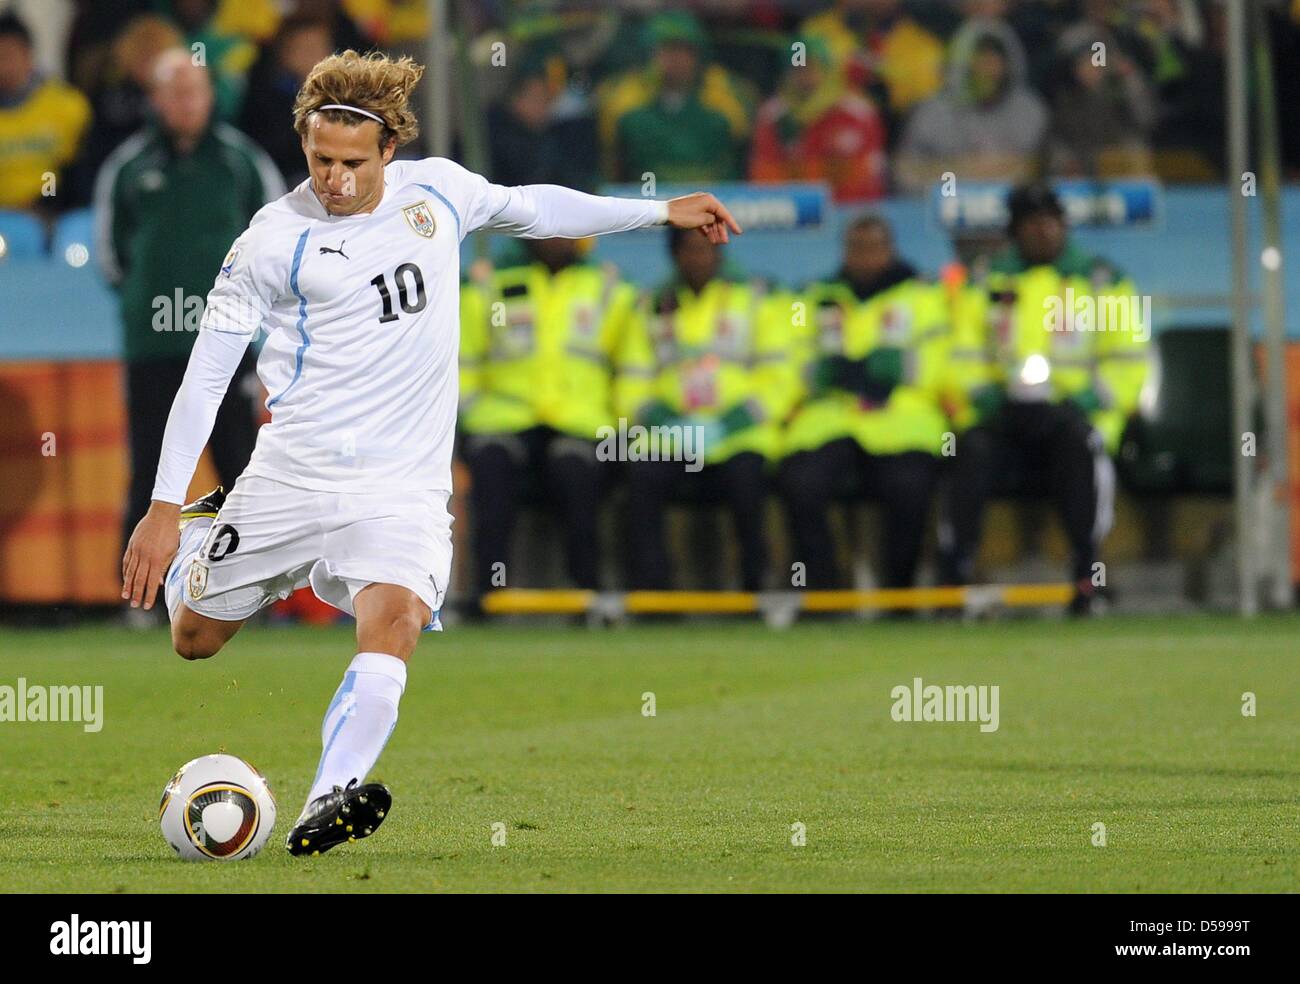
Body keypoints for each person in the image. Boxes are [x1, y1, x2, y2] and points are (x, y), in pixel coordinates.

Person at [119, 49, 740, 856]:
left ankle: (325, 797)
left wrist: (659, 213)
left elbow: (538, 209)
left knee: (397, 621)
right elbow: (206, 375)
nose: (334, 179)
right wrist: (166, 509)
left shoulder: (438, 191)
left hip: (403, 488)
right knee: (193, 637)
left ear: (388, 152)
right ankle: (207, 537)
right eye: (319, 161)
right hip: (293, 473)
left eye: (350, 163)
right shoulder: (272, 241)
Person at [96, 49, 282, 615]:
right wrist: (150, 305)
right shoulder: (128, 166)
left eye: (194, 91)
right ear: (156, 100)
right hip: (155, 345)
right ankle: (140, 598)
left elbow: (271, 239)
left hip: (227, 345)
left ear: (210, 97)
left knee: (241, 469)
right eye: (173, 93)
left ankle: (256, 595)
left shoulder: (241, 161)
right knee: (150, 471)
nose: (184, 103)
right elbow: (112, 255)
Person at [941, 182, 1149, 614]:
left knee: (1081, 448)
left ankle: (1087, 576)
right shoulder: (986, 280)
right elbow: (962, 355)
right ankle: (955, 579)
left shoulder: (1100, 281)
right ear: (1014, 231)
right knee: (970, 450)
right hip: (1004, 413)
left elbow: (1129, 358)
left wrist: (1089, 400)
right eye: (1032, 224)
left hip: (1072, 413)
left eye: (1051, 222)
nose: (1043, 232)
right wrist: (987, 399)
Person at [618, 228, 797, 592]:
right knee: (640, 482)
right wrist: (663, 420)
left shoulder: (754, 301)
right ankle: (655, 596)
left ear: (719, 255)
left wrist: (735, 421)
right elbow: (630, 381)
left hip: (739, 433)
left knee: (748, 484)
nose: (697, 259)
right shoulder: (651, 307)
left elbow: (781, 376)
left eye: (705, 250)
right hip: (669, 436)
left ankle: (756, 589)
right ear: (674, 255)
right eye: (688, 250)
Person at [458, 237, 637, 600]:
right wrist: (470, 417)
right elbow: (462, 363)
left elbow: (633, 370)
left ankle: (588, 593)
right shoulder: (488, 285)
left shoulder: (611, 289)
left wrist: (624, 429)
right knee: (491, 465)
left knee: (575, 469)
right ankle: (489, 595)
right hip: (503, 418)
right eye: (549, 225)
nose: (557, 236)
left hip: (581, 422)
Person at [778, 216, 949, 590]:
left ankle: (897, 593)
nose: (865, 258)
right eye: (857, 248)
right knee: (801, 482)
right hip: (831, 418)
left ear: (890, 250)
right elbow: (791, 360)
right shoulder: (816, 296)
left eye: (874, 248)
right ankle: (824, 592)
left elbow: (939, 361)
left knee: (910, 488)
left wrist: (890, 367)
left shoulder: (922, 295)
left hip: (901, 420)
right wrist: (824, 373)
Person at [894, 18, 1048, 192]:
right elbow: (907, 174)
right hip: (945, 208)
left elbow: (1041, 171)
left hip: (1017, 209)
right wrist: (960, 177)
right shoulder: (931, 113)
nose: (986, 67)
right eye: (978, 57)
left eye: (994, 58)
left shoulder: (1030, 111)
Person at [748, 36, 887, 202]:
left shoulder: (858, 114)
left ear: (826, 68)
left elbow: (870, 176)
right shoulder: (772, 117)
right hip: (794, 216)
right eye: (796, 69)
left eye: (810, 67)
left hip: (848, 212)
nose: (803, 76)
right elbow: (764, 176)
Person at [0, 12, 90, 212]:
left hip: (53, 212)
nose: (3, 68)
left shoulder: (67, 107)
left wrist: (47, 203)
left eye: (8, 56)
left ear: (28, 55)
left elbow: (73, 170)